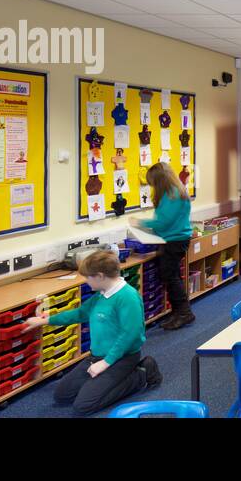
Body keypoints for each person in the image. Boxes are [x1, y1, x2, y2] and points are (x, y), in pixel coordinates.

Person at [23, 251, 160, 415]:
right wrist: (45, 320)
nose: (86, 281)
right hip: (96, 356)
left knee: (83, 405)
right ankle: (101, 381)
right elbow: (80, 314)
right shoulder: (101, 294)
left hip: (122, 358)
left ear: (100, 276)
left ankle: (142, 373)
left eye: (88, 277)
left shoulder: (127, 297)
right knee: (62, 396)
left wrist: (106, 363)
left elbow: (131, 335)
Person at [136, 162, 195, 329]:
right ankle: (179, 312)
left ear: (160, 180)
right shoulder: (175, 192)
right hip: (175, 239)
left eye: (153, 183)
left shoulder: (172, 195)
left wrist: (140, 222)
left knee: (171, 277)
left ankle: (184, 313)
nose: (153, 187)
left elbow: (163, 222)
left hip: (174, 241)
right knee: (172, 275)